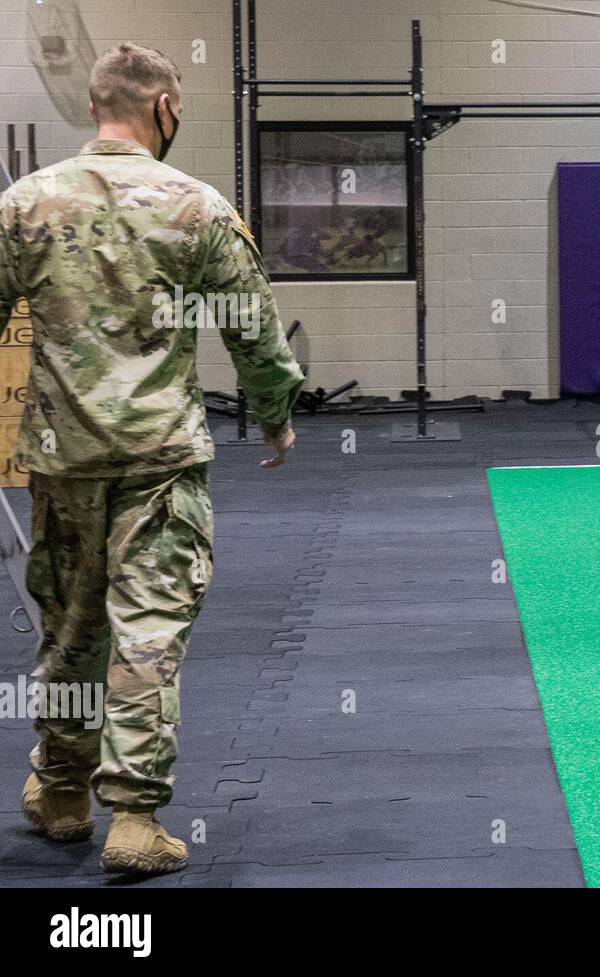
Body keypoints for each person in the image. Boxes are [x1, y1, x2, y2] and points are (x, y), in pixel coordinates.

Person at [0, 43, 305, 874]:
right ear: (164, 108)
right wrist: (275, 414)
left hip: (61, 461)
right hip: (159, 462)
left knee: (67, 630)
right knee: (148, 632)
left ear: (95, 105)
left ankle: (60, 792)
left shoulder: (23, 204)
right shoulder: (195, 206)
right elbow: (250, 323)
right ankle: (133, 816)